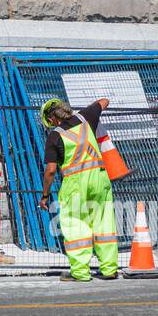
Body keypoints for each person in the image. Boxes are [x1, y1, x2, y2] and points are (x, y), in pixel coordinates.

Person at [38, 96, 118, 282]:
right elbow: (105, 101)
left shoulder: (54, 136)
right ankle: (109, 270)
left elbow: (50, 171)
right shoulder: (86, 117)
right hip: (99, 178)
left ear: (51, 120)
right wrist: (92, 109)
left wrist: (45, 195)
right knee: (104, 222)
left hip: (75, 184)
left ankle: (81, 273)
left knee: (76, 225)